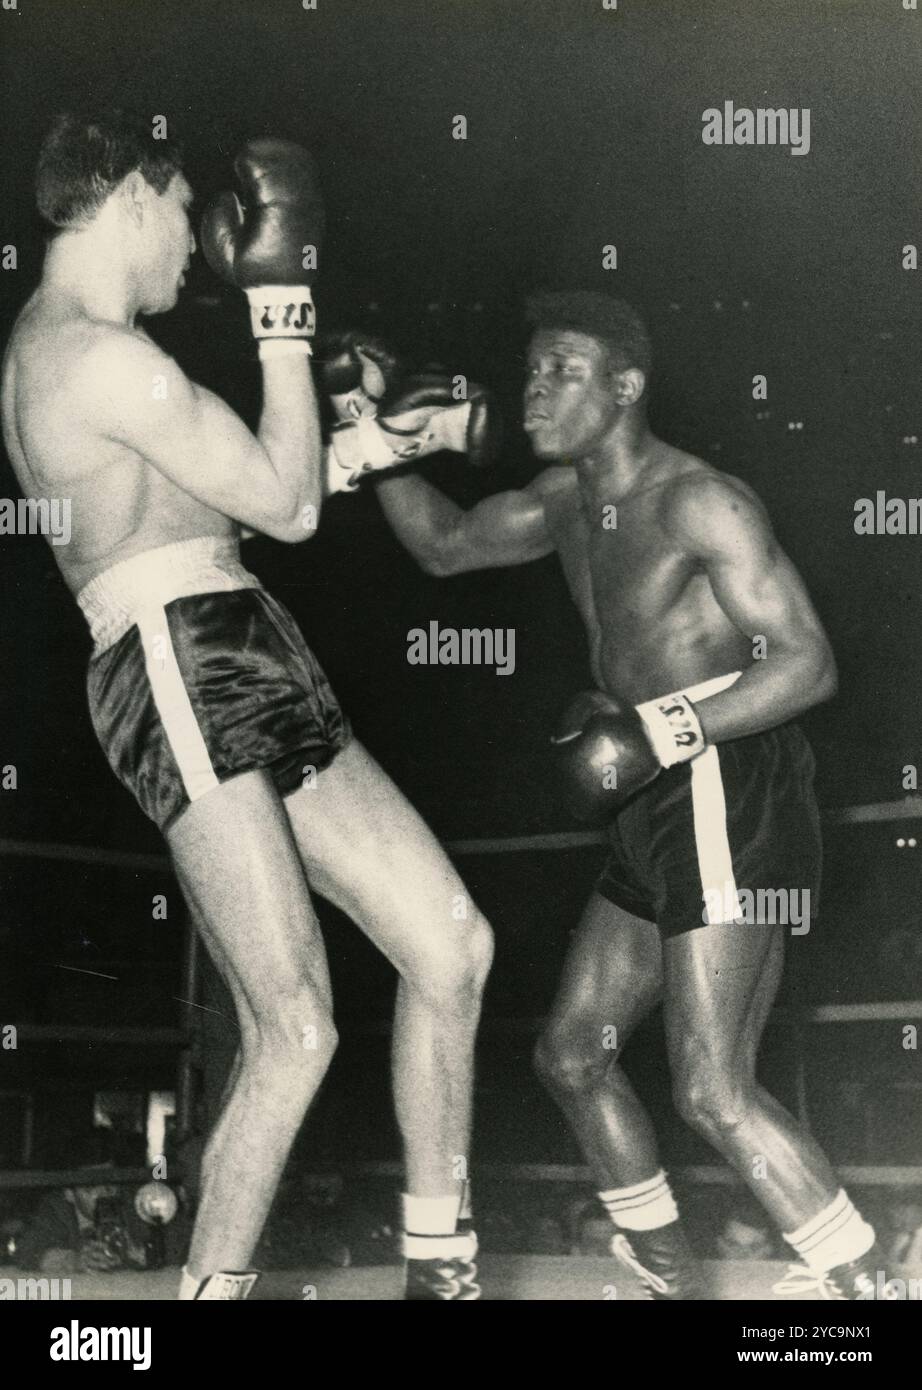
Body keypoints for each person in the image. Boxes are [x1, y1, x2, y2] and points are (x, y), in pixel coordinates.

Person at [1, 110, 493, 1301]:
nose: (195, 244)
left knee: (449, 942)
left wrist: (370, 442)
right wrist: (283, 307)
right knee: (296, 1027)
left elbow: (228, 505)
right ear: (128, 196)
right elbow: (287, 511)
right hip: (174, 655)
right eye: (180, 211)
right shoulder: (93, 358)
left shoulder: (97, 355)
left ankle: (439, 1267)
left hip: (233, 635)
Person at [324, 291, 896, 1300]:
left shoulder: (700, 502)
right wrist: (369, 438)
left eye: (562, 370)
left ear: (624, 386)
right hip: (651, 798)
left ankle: (862, 1280)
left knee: (712, 1086)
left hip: (728, 777)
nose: (534, 389)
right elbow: (445, 545)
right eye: (532, 368)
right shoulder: (561, 502)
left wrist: (663, 726)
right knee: (571, 1051)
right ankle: (664, 1267)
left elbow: (808, 663)